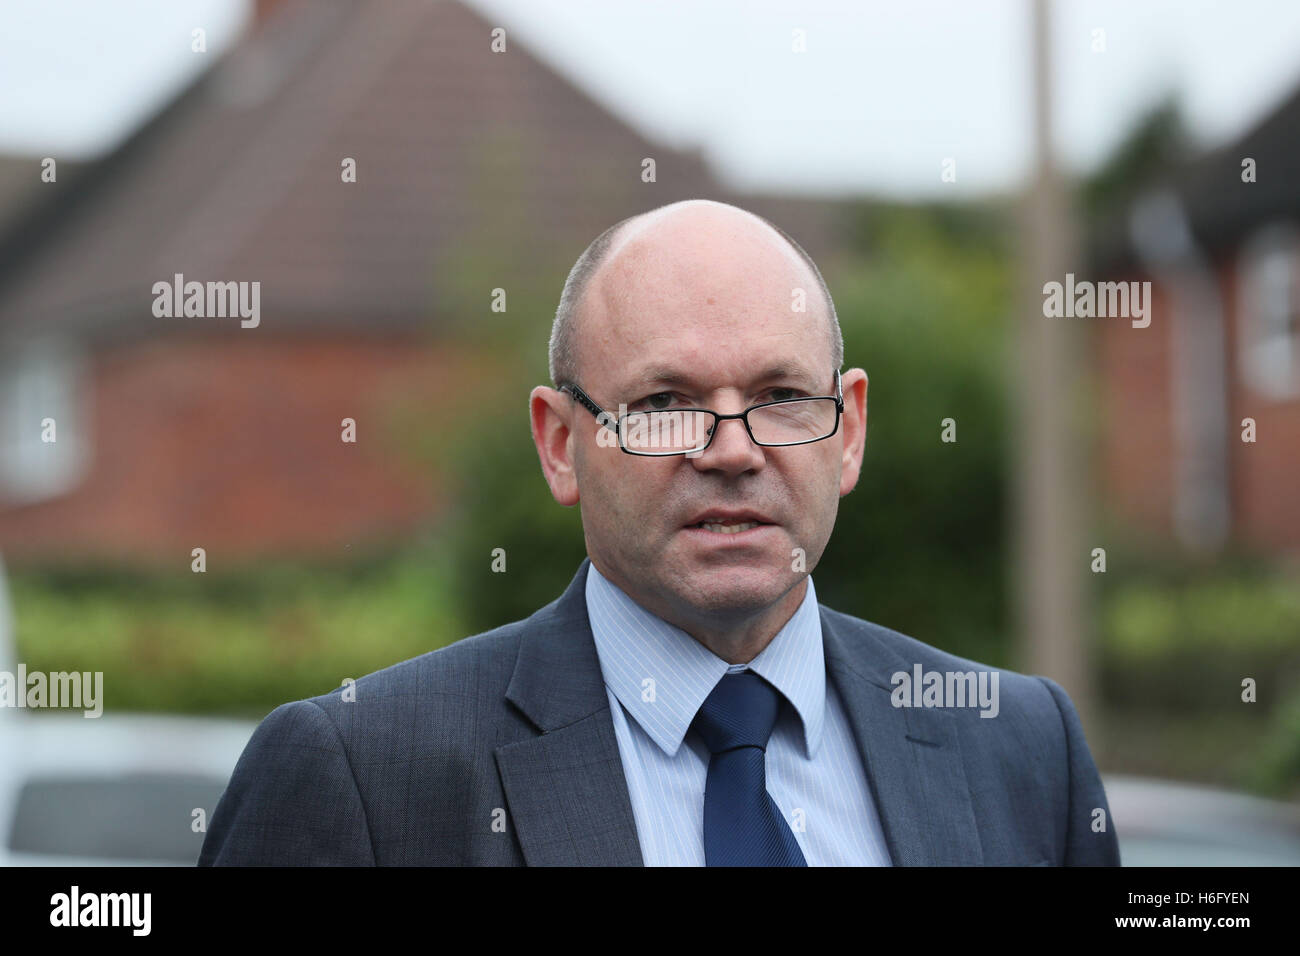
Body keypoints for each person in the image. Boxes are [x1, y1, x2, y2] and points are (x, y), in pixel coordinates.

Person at [199, 199, 1120, 866]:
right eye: (665, 404)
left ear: (851, 430)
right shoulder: (363, 779)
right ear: (561, 445)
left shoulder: (1019, 748)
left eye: (780, 398)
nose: (731, 450)